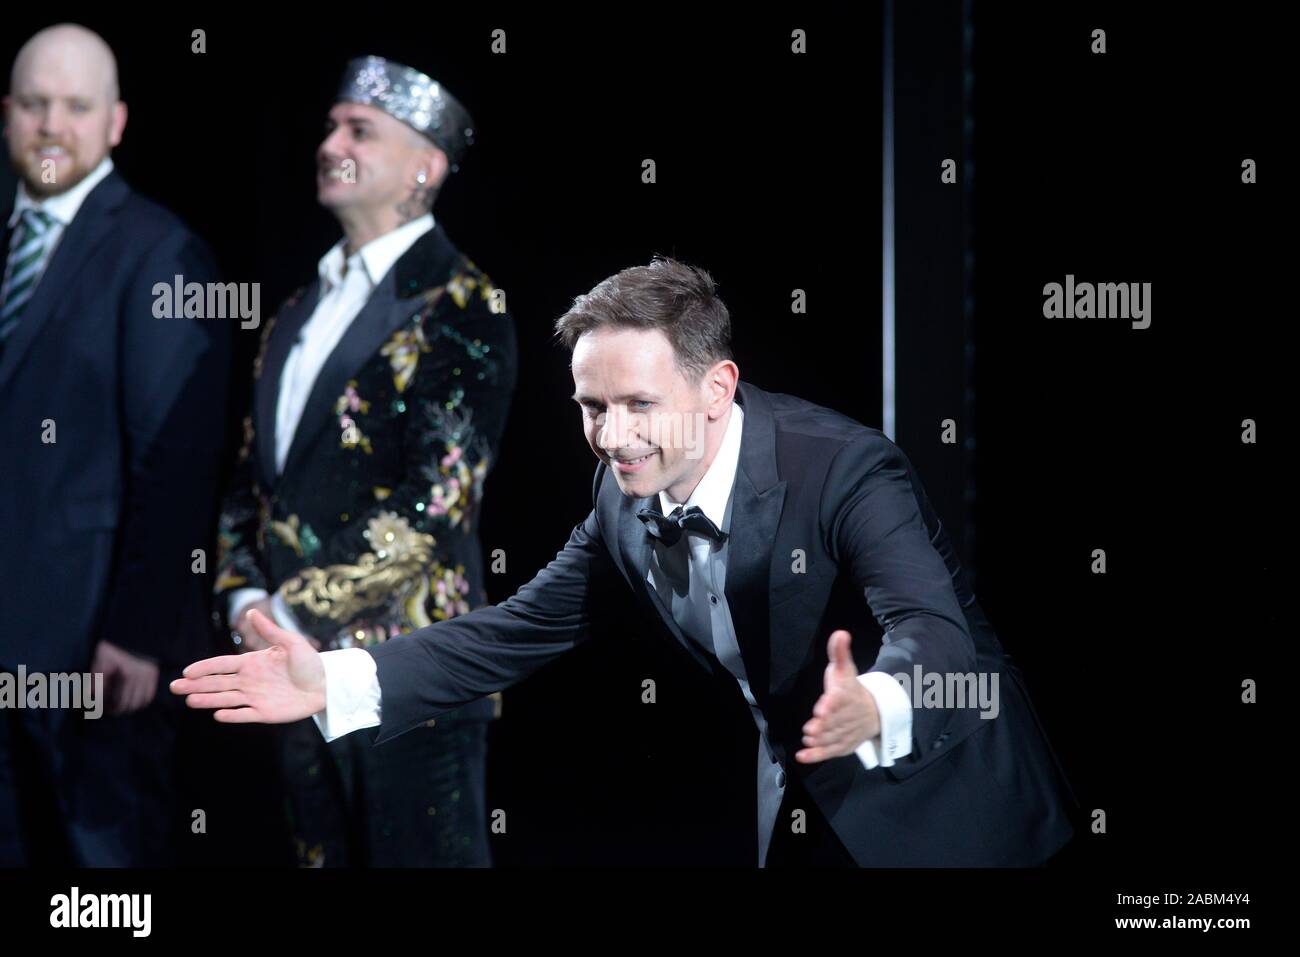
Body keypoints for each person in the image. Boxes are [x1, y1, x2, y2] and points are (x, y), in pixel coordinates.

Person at [177, 258, 1076, 867]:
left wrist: (873, 702)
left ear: (717, 388)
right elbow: (515, 629)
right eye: (591, 406)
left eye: (638, 403)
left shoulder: (843, 468)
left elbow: (936, 636)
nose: (610, 437)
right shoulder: (623, 496)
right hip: (804, 803)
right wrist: (332, 679)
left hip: (954, 808)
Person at [213, 56, 516, 867]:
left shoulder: (464, 304)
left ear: (426, 165)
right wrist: (244, 595)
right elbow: (252, 478)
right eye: (329, 125)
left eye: (359, 130)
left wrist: (287, 607)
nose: (330, 142)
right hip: (289, 669)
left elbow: (435, 502)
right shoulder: (296, 311)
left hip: (408, 678)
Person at [0, 23, 230, 865]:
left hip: (90, 649)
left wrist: (138, 630)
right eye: (34, 104)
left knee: (105, 881)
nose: (52, 123)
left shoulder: (160, 253)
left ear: (116, 122)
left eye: (75, 105)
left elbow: (176, 461)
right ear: (8, 114)